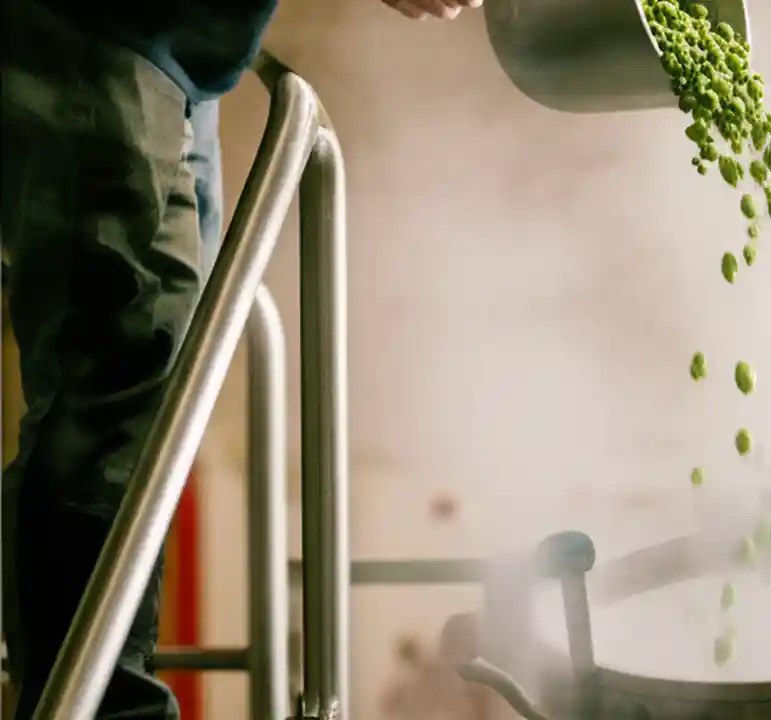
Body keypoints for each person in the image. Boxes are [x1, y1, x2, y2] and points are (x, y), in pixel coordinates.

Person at [1, 0, 483, 716]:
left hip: (174, 56)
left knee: (152, 411)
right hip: (96, 33)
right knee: (109, 406)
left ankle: (94, 694)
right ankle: (96, 707)